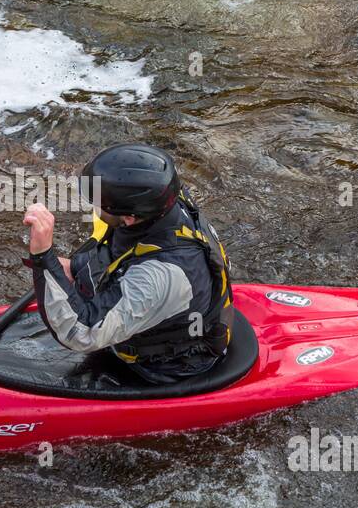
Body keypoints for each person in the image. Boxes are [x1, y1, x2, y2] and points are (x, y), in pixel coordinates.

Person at [21, 145, 234, 384]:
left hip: (165, 367)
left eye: (100, 203)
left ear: (129, 218)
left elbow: (80, 334)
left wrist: (43, 255)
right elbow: (117, 249)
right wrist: (67, 269)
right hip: (166, 299)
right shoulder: (163, 200)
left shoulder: (159, 275)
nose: (94, 207)